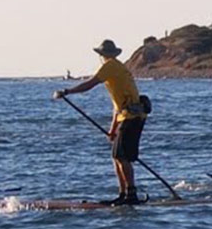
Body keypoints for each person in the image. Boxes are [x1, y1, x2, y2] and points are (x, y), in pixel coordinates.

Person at [55, 40, 149, 205]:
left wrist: (67, 91)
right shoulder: (115, 68)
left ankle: (131, 194)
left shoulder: (110, 66)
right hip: (127, 116)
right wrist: (112, 129)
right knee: (117, 156)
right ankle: (123, 194)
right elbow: (117, 106)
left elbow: (90, 84)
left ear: (102, 55)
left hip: (132, 118)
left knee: (122, 156)